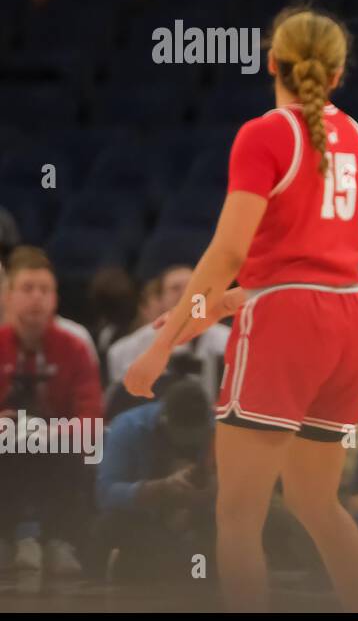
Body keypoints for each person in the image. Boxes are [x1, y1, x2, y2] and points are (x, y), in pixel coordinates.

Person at [124, 6, 358, 612]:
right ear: (338, 74)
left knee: (237, 514)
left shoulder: (264, 133)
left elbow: (230, 250)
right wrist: (234, 301)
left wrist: (161, 344)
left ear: (271, 63)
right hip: (348, 318)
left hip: (288, 325)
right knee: (319, 504)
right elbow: (321, 258)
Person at [0, 247, 102, 578]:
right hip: (5, 444)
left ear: (56, 298)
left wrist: (52, 434)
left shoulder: (74, 346)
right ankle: (13, 537)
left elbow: (91, 415)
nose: (36, 298)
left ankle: (60, 540)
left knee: (85, 446)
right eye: (27, 289)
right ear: (8, 296)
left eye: (44, 290)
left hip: (57, 444)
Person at [94, 377, 217, 585]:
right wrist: (161, 488)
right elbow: (105, 493)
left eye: (194, 440)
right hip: (146, 521)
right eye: (181, 439)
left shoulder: (220, 430)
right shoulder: (129, 427)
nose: (187, 445)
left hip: (199, 519)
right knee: (110, 525)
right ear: (165, 421)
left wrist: (214, 491)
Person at [106, 264, 230, 403]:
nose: (186, 292)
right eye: (175, 288)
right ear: (160, 300)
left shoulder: (227, 338)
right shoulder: (127, 348)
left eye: (194, 285)